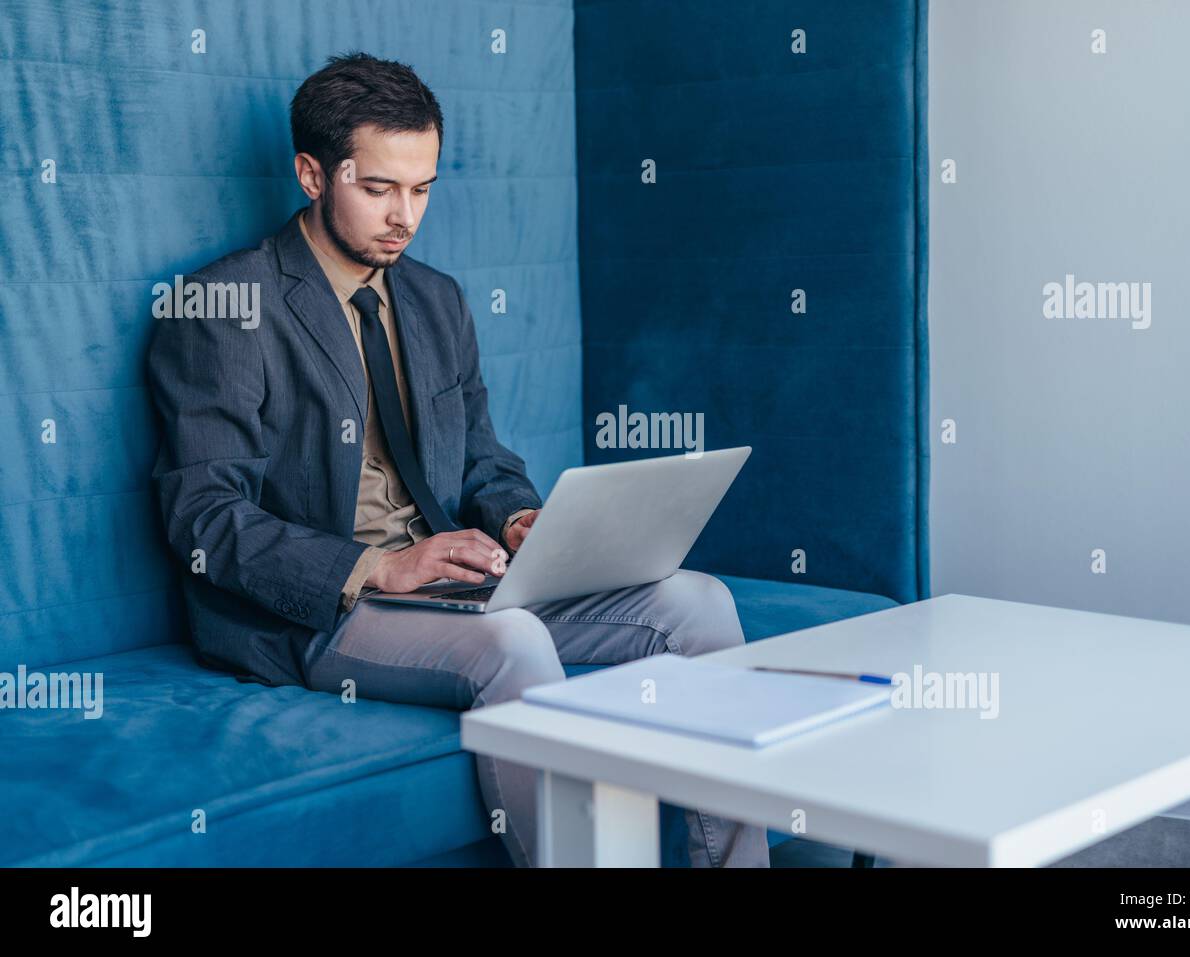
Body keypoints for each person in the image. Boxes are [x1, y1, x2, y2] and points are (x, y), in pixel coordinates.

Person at [145, 51, 769, 868]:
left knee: (699, 603)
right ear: (311, 174)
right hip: (320, 609)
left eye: (422, 188)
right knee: (511, 643)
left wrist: (519, 516)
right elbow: (205, 518)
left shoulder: (436, 300)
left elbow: (480, 458)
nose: (405, 215)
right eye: (378, 189)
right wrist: (377, 567)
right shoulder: (223, 309)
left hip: (462, 578)